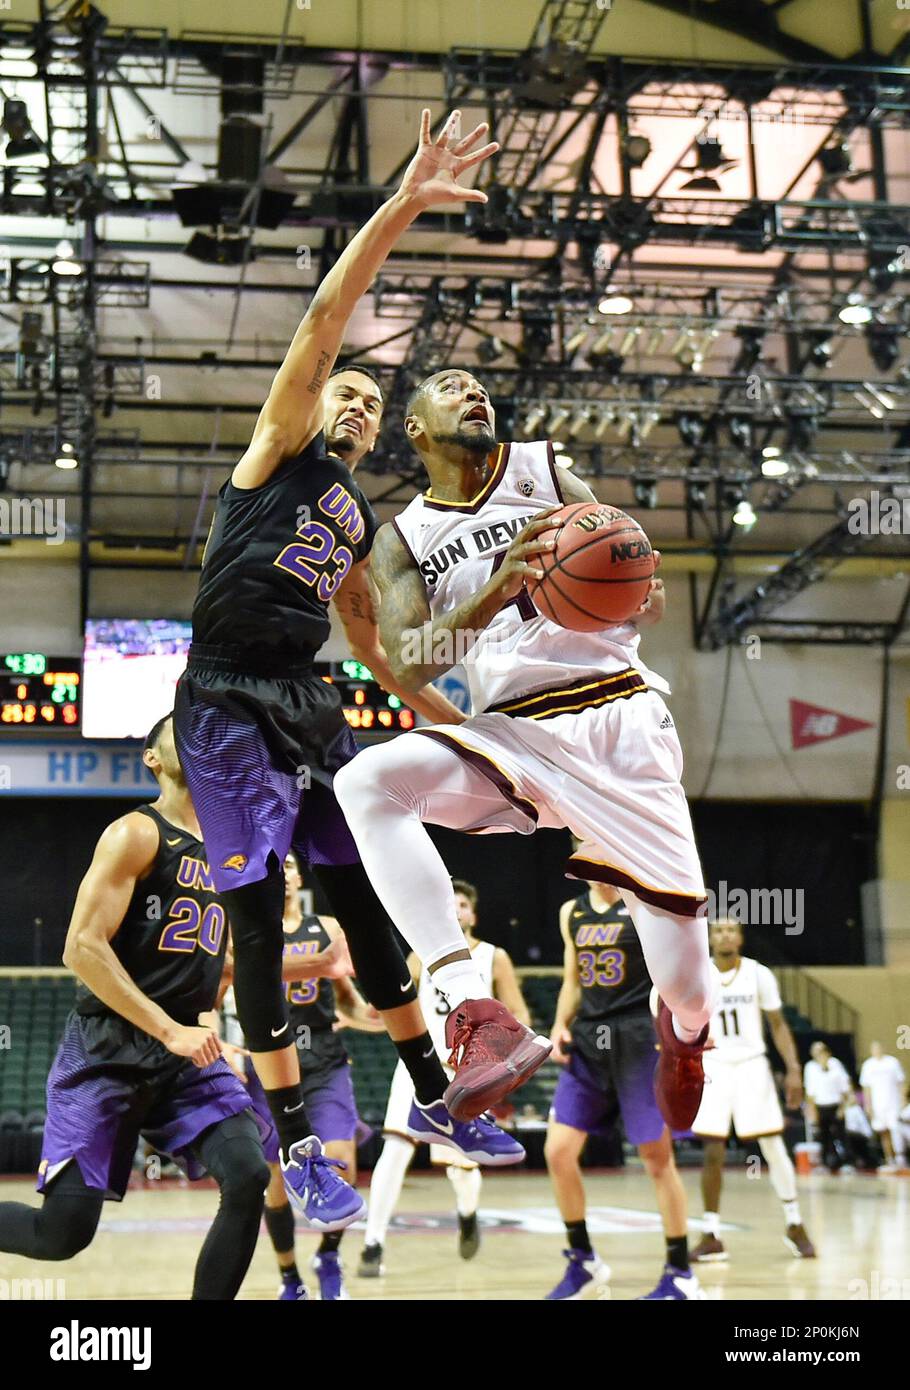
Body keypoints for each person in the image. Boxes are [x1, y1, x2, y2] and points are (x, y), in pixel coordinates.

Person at [173, 109, 517, 1231]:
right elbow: (327, 316)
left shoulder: (357, 521)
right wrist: (406, 202)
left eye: (376, 404)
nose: (361, 405)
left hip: (310, 707)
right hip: (224, 696)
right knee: (260, 928)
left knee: (369, 920)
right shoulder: (274, 448)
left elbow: (375, 645)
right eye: (350, 393)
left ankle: (438, 1101)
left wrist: (465, 722)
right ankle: (305, 1154)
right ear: (320, 403)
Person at [333, 369, 717, 1131]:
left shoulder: (542, 469)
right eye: (451, 387)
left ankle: (686, 1035)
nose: (474, 393)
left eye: (479, 387)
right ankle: (472, 1005)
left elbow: (652, 587)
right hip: (512, 729)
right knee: (367, 781)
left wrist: (612, 580)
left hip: (618, 718)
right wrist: (504, 587)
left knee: (687, 983)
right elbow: (409, 660)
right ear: (413, 429)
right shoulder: (401, 538)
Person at [0, 716, 272, 1299]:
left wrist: (214, 1024)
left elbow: (217, 961)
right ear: (153, 757)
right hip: (106, 1049)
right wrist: (171, 1029)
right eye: (184, 727)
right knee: (61, 1235)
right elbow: (81, 947)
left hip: (184, 1053)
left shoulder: (235, 852)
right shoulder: (136, 832)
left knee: (249, 1175)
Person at [221, 851, 385, 1300]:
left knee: (344, 1164)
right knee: (272, 1178)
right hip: (267, 1064)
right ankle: (290, 1277)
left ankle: (328, 1257)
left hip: (324, 1060)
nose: (285, 875)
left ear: (299, 877)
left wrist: (382, 1021)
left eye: (291, 866)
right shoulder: (246, 931)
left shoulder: (328, 929)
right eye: (277, 868)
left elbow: (347, 1001)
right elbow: (221, 984)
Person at [358, 880, 528, 1277]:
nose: (457, 909)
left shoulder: (493, 957)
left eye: (464, 903)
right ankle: (372, 1243)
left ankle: (468, 1215)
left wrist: (499, 1059)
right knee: (395, 1148)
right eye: (451, 903)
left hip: (470, 1070)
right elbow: (392, 1004)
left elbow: (520, 1014)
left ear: (474, 914)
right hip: (420, 1064)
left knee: (463, 1166)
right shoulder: (421, 955)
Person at [544, 880, 703, 1301]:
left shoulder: (646, 903)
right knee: (558, 1151)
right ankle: (584, 1262)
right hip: (589, 1039)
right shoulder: (571, 911)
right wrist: (561, 1023)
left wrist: (688, 1028)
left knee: (655, 1156)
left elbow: (681, 969)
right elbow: (572, 979)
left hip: (638, 1036)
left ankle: (682, 1272)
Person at [689, 920, 815, 1262]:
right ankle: (711, 1233)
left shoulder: (759, 974)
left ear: (740, 937)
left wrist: (793, 1070)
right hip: (714, 1064)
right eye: (718, 931)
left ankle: (794, 1223)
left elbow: (778, 1025)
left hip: (751, 1065)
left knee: (773, 1145)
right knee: (712, 1149)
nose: (725, 935)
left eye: (731, 930)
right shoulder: (699, 974)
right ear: (710, 938)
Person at [803, 1041, 851, 1173]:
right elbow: (809, 1091)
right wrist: (812, 1109)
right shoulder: (810, 1067)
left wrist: (843, 1107)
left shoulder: (835, 1064)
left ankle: (846, 1162)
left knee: (841, 1135)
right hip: (820, 1106)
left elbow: (845, 1087)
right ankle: (825, 1163)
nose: (818, 1055)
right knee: (823, 1136)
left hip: (835, 1105)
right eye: (815, 1052)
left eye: (821, 1051)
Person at [859, 1042, 907, 1172]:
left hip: (893, 1102)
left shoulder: (892, 1062)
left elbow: (901, 1082)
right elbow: (866, 1087)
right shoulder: (868, 1065)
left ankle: (901, 1158)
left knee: (896, 1130)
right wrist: (868, 1105)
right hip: (878, 1104)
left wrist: (903, 1100)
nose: (877, 1050)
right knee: (883, 1132)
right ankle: (889, 1159)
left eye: (879, 1048)